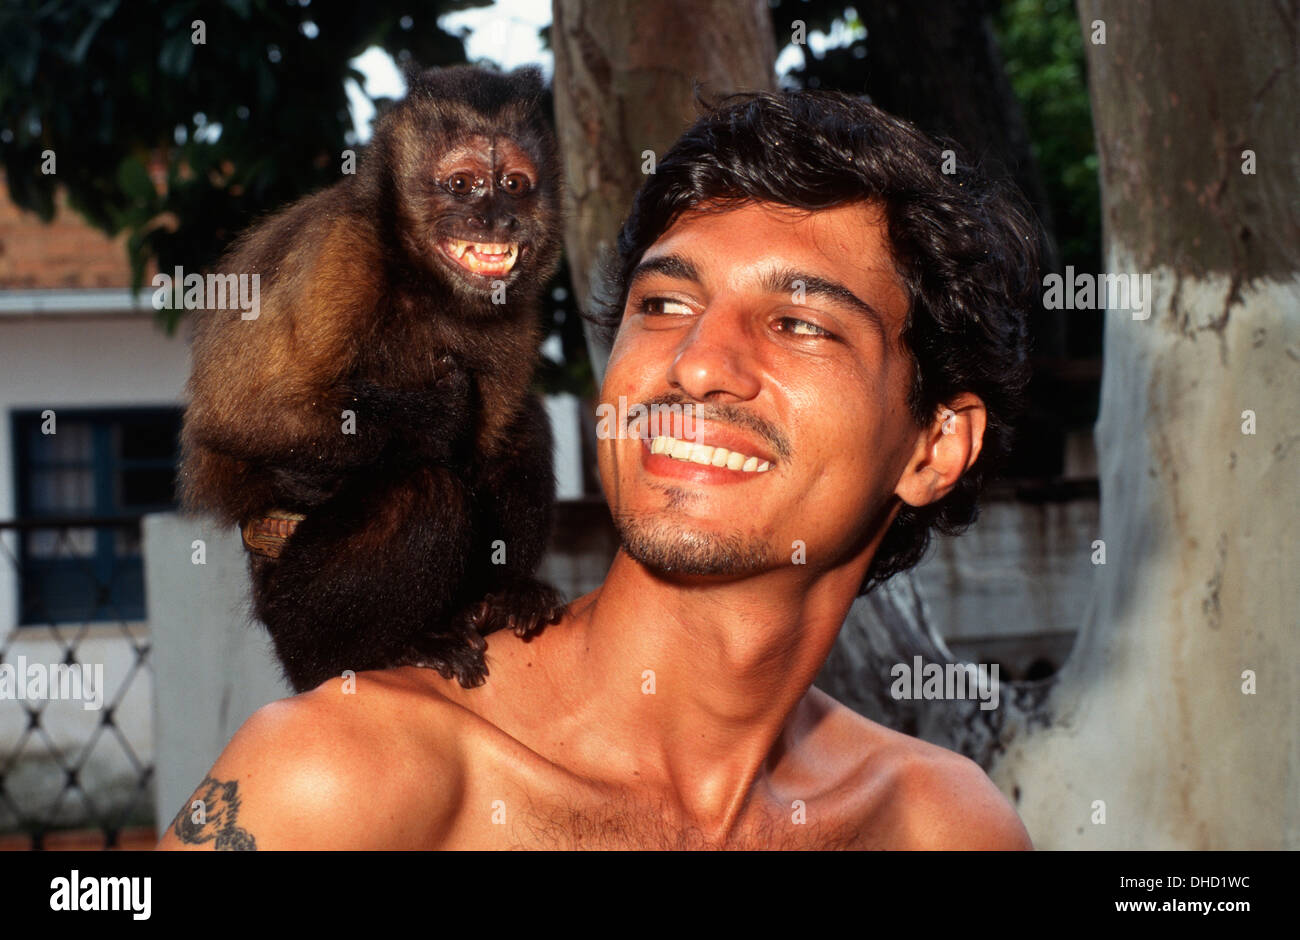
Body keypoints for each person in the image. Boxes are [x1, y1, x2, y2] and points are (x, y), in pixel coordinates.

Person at [158, 88, 1038, 850]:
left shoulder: (943, 825)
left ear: (935, 447)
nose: (697, 362)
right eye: (664, 303)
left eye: (800, 323)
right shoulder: (345, 779)